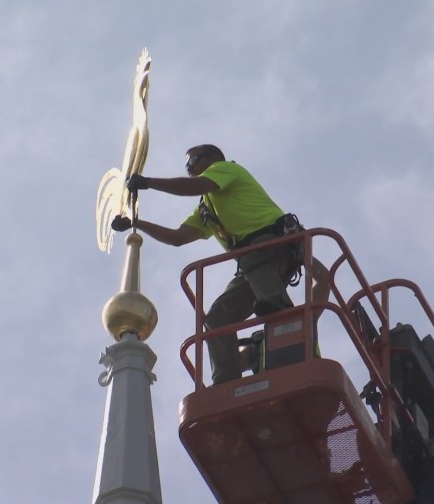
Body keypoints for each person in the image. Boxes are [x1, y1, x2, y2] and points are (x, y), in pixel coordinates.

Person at [111, 144, 305, 385]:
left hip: (271, 242)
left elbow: (195, 186)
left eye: (192, 162)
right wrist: (135, 223)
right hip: (252, 262)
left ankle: (283, 321)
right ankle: (227, 381)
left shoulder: (224, 170)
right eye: (187, 166)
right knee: (217, 320)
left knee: (265, 286)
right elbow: (178, 237)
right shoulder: (207, 207)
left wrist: (149, 182)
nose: (190, 169)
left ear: (211, 158)